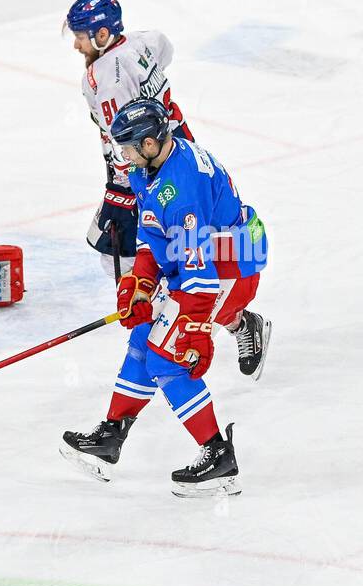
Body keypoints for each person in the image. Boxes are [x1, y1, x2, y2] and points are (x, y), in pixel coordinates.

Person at [60, 99, 269, 497]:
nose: (122, 156)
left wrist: (193, 328)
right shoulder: (149, 169)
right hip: (201, 263)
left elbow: (199, 272)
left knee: (165, 354)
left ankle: (218, 456)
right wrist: (138, 282)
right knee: (143, 337)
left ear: (152, 143)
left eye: (128, 147)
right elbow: (153, 236)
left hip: (229, 270)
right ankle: (111, 435)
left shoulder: (182, 188)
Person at [66, 0, 269, 376]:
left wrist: (125, 191)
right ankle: (179, 324)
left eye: (81, 35)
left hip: (145, 174)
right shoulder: (145, 41)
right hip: (175, 149)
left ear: (104, 34)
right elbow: (166, 49)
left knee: (156, 257)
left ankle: (157, 336)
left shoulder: (100, 80)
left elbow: (117, 139)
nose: (76, 44)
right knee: (174, 250)